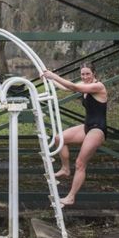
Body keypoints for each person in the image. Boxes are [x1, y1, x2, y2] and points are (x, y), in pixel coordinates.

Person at [42, 64, 107, 207]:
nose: (84, 77)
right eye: (82, 74)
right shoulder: (85, 84)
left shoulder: (98, 86)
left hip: (97, 130)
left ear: (94, 73)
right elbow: (65, 87)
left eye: (87, 74)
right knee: (59, 139)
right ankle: (65, 169)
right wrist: (49, 78)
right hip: (87, 126)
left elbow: (74, 88)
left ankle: (71, 197)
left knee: (80, 163)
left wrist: (54, 75)